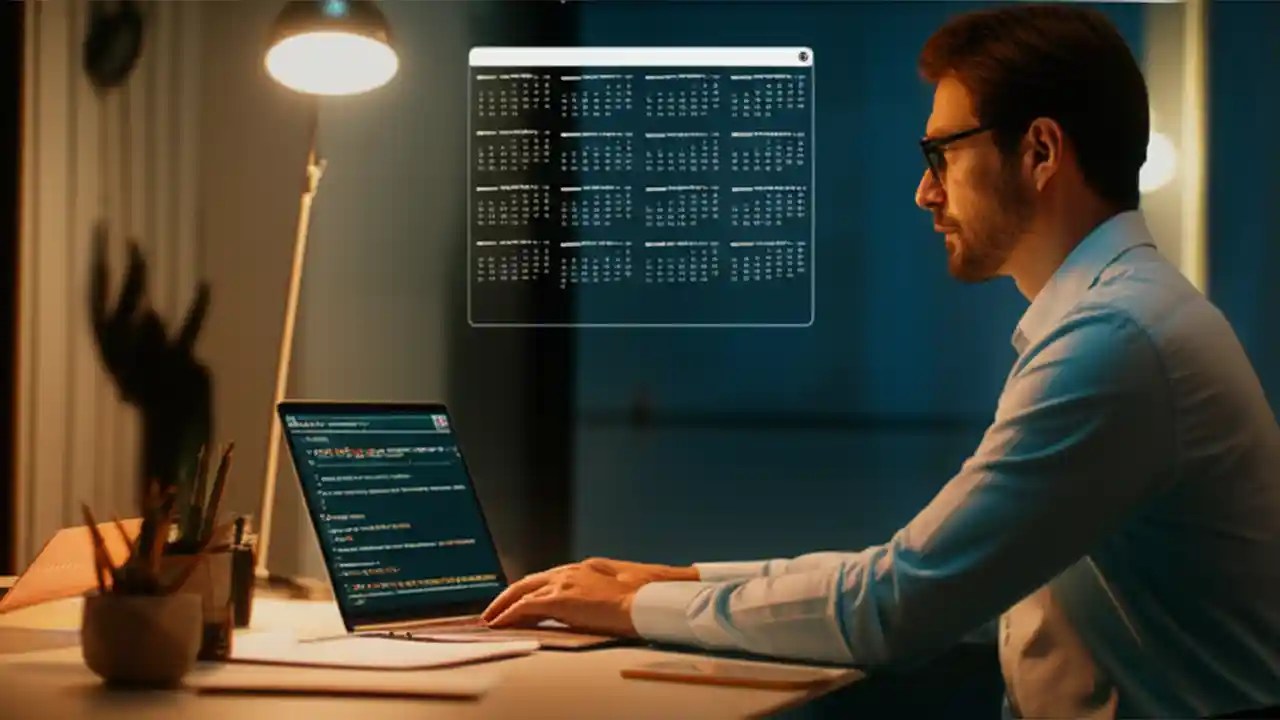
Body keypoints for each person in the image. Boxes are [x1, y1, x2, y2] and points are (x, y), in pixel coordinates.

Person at [482, 4, 1280, 718]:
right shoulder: (1124, 316)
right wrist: (678, 580)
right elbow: (921, 571)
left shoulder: (1116, 340)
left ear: (1039, 150)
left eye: (941, 154)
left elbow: (902, 601)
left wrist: (635, 608)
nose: (923, 194)